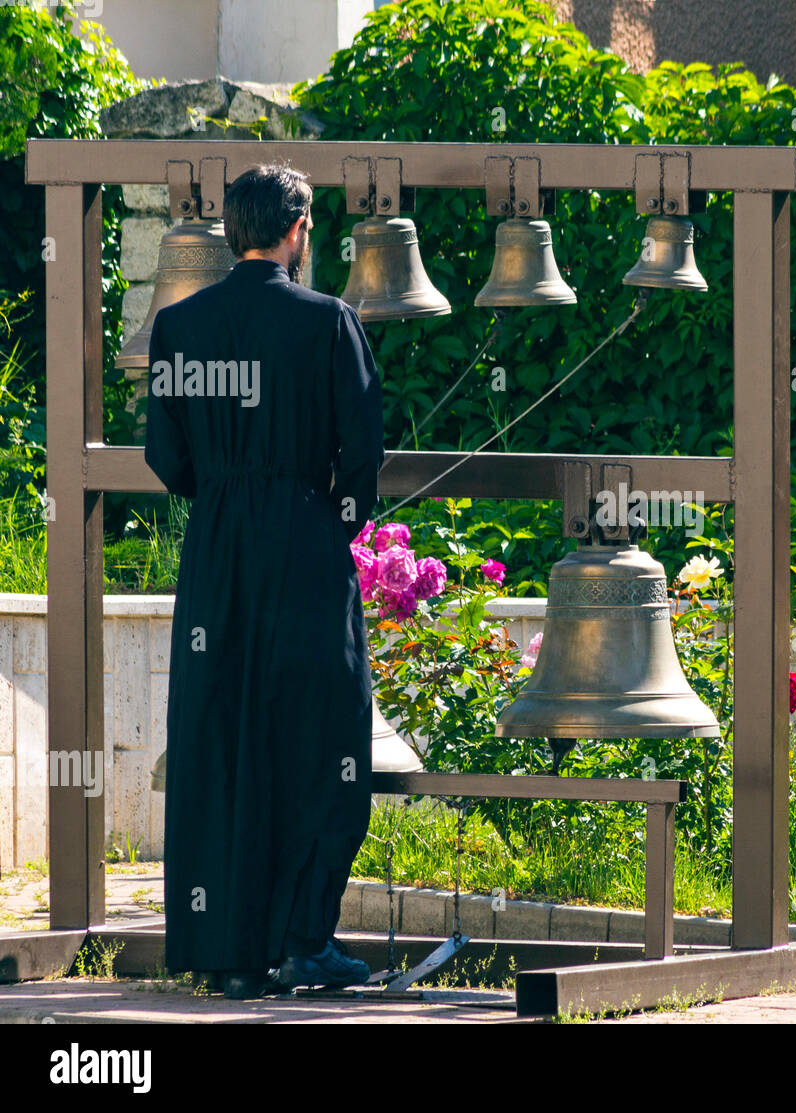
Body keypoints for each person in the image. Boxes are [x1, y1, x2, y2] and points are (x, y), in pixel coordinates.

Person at [144, 164, 385, 998]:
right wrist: (325, 522)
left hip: (215, 555)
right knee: (324, 737)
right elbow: (362, 460)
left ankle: (227, 950)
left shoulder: (179, 326)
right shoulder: (328, 323)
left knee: (220, 737)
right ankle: (305, 938)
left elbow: (166, 458)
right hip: (302, 546)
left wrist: (223, 497)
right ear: (297, 230)